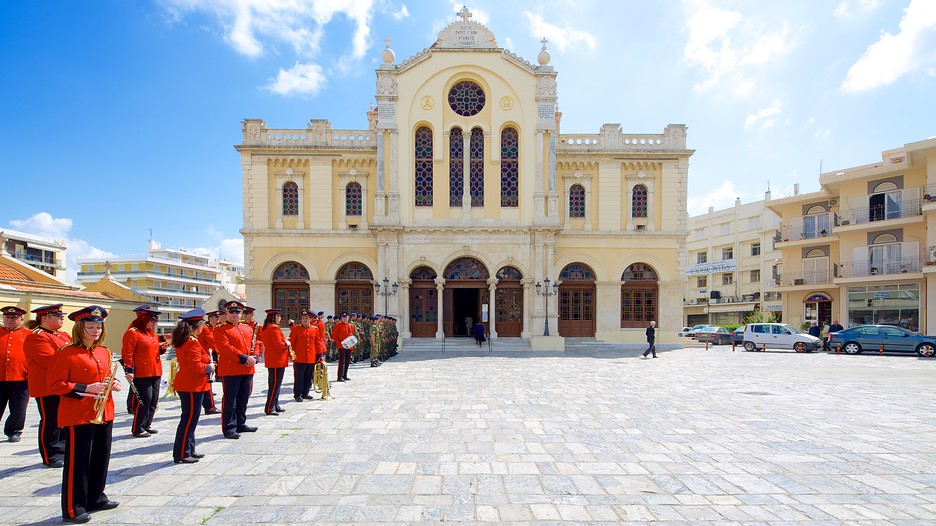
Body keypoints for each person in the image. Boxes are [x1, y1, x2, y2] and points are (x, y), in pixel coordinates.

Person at [47, 305, 121, 524]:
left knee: (100, 458)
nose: (95, 330)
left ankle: (96, 498)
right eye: (90, 326)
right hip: (78, 414)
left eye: (98, 326)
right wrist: (87, 388)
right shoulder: (66, 352)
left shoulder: (104, 351)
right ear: (80, 328)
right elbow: (55, 384)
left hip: (103, 412)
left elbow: (106, 376)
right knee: (78, 463)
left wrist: (113, 383)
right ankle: (73, 507)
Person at [24, 303, 71, 468]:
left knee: (64, 419)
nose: (62, 318)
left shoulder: (63, 335)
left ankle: (64, 449)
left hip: (64, 384)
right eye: (57, 316)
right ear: (44, 318)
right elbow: (50, 361)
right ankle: (51, 454)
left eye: (61, 315)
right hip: (47, 386)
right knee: (50, 420)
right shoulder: (37, 336)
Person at [170, 308, 212, 464]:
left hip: (189, 384)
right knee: (188, 420)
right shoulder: (192, 343)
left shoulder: (186, 340)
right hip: (192, 385)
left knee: (191, 419)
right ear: (198, 326)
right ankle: (181, 452)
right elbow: (196, 367)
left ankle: (189, 449)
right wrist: (209, 368)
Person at [213, 301, 257, 439]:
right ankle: (229, 427)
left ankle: (240, 423)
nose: (234, 314)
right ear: (226, 313)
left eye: (237, 312)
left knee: (244, 398)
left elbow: (255, 344)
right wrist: (245, 358)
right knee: (230, 400)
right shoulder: (220, 329)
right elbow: (225, 348)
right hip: (231, 369)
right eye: (231, 312)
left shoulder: (247, 328)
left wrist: (255, 356)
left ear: (241, 313)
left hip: (247, 368)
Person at [121, 306, 164, 438]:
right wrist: (129, 369)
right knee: (145, 399)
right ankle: (137, 428)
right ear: (144, 319)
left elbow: (154, 350)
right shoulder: (133, 333)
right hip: (142, 372)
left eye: (155, 320)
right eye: (152, 320)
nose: (154, 323)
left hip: (155, 370)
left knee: (153, 400)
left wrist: (162, 348)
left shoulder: (151, 334)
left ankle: (147, 424)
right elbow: (128, 353)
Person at [1, 306, 29, 442]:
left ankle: (14, 431)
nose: (9, 320)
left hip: (20, 378)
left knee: (19, 409)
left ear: (21, 319)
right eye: (7, 317)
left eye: (14, 317)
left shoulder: (29, 336)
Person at [260, 308, 289, 415]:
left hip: (273, 359)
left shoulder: (267, 328)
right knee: (275, 384)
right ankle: (269, 407)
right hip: (277, 360)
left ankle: (275, 404)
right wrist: (287, 343)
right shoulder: (274, 328)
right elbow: (279, 345)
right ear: (276, 317)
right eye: (279, 316)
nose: (280, 319)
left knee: (275, 383)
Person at [196, 311, 222, 415]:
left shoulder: (214, 327)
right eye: (215, 317)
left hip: (207, 355)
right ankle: (210, 407)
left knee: (206, 383)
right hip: (205, 356)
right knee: (207, 383)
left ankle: (208, 406)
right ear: (210, 318)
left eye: (218, 317)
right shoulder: (206, 328)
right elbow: (213, 342)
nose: (217, 319)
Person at [288, 309, 316, 401]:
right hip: (299, 358)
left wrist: (320, 354)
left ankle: (305, 393)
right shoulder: (297, 329)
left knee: (308, 377)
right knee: (299, 377)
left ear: (310, 319)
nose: (304, 320)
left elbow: (317, 342)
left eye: (306, 318)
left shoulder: (314, 329)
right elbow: (291, 343)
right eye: (303, 318)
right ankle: (297, 394)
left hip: (311, 357)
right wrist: (291, 355)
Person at [332, 312, 356, 382]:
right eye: (344, 317)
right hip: (341, 346)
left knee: (347, 361)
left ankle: (345, 375)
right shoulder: (337, 326)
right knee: (342, 361)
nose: (345, 319)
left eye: (347, 317)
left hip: (349, 346)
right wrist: (340, 344)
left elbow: (351, 334)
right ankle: (339, 376)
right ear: (341, 318)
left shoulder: (351, 326)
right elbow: (335, 336)